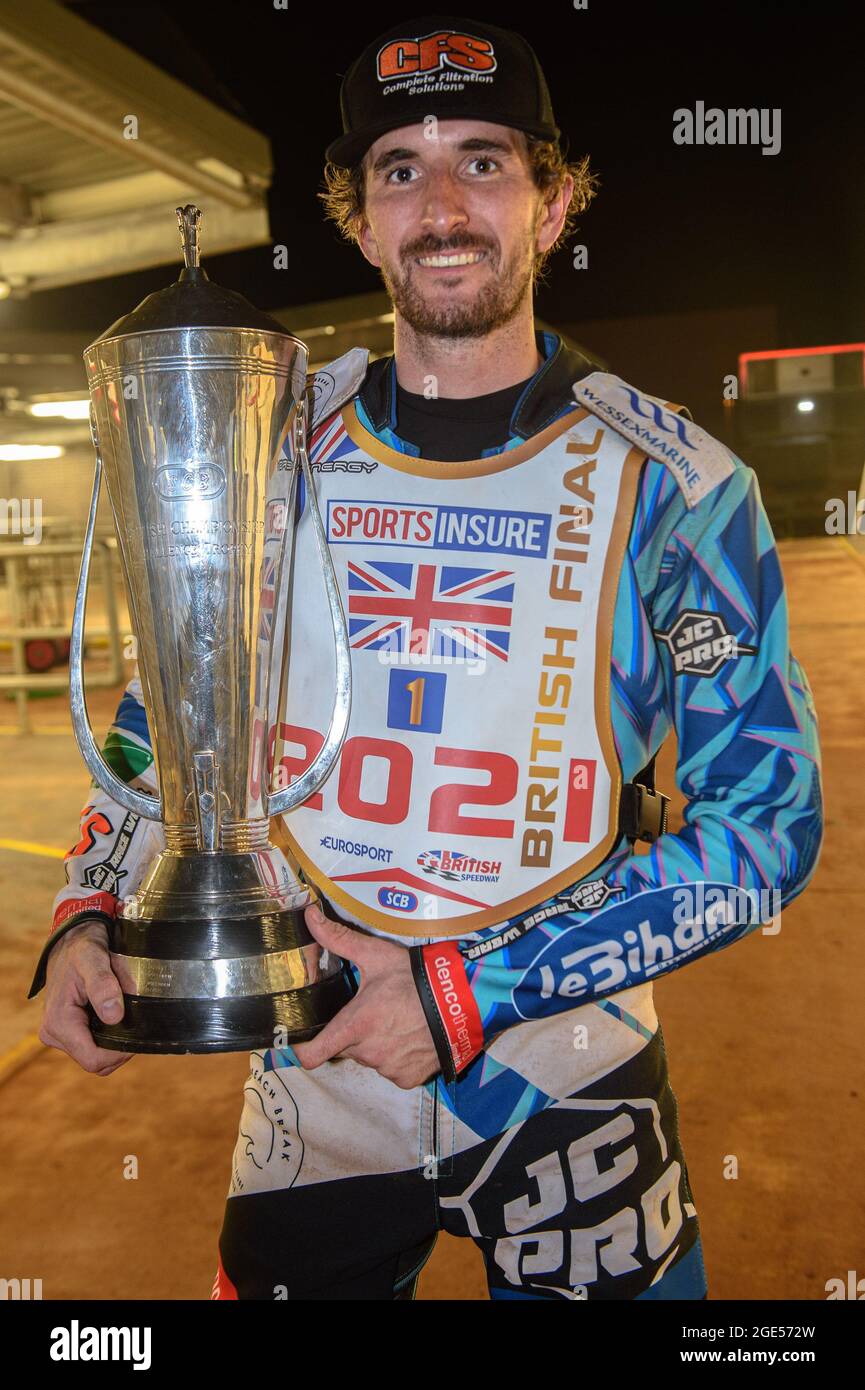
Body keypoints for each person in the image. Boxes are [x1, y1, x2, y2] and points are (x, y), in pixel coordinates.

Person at [30, 15, 823, 1301]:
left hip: (569, 1060)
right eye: (399, 167)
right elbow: (171, 706)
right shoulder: (271, 444)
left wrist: (462, 991)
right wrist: (89, 911)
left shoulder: (678, 485)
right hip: (316, 1051)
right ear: (356, 218)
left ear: (554, 201)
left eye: (484, 162)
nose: (441, 202)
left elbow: (769, 830)